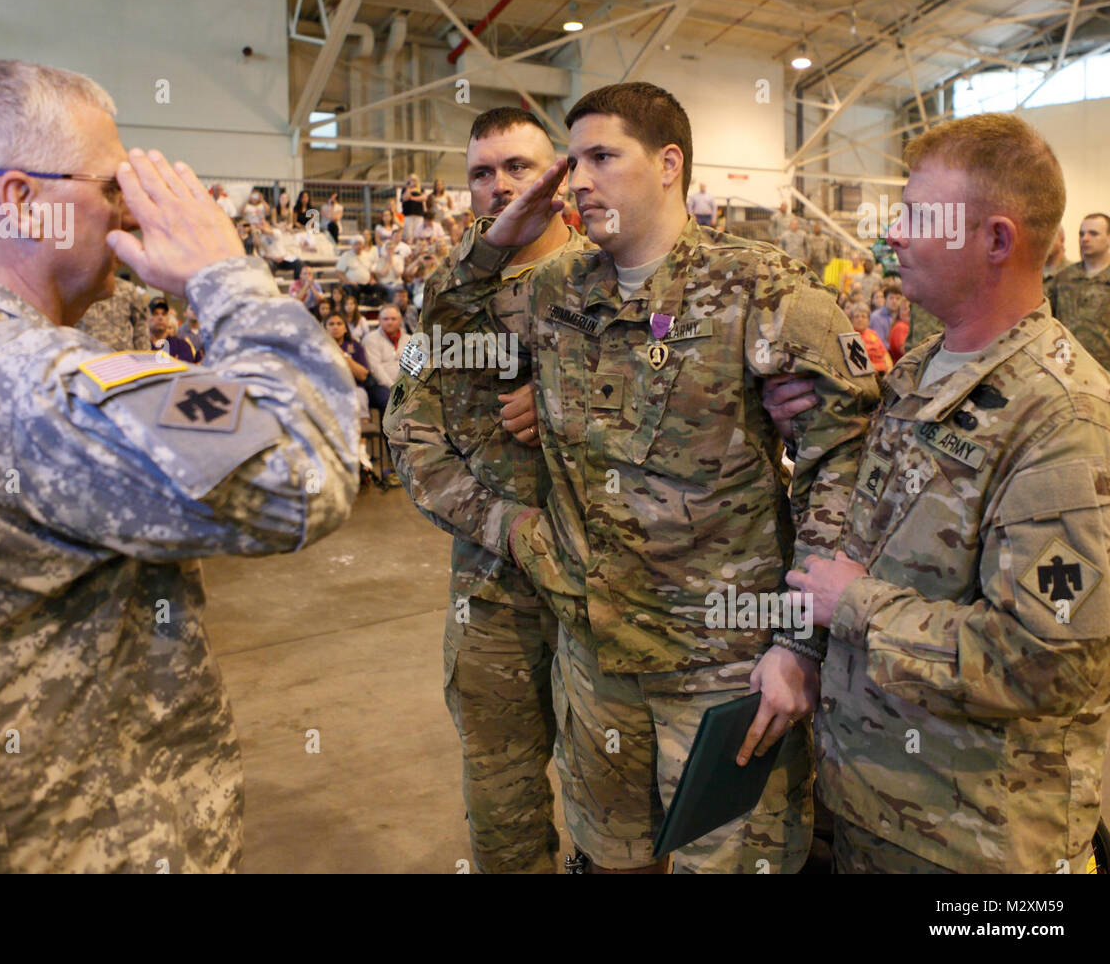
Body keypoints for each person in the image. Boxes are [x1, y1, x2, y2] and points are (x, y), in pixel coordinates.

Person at [0, 58, 358, 873]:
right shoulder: (35, 385)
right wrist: (229, 277)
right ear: (21, 202)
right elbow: (305, 474)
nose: (127, 212)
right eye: (110, 187)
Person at [419, 82, 878, 873]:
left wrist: (800, 642)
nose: (581, 179)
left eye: (603, 156)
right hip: (597, 661)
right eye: (574, 161)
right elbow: (444, 330)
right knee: (611, 861)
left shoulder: (762, 290)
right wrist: (496, 240)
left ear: (669, 165)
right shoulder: (559, 291)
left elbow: (845, 465)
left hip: (724, 664)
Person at [763, 112, 1110, 873]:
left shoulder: (1064, 418)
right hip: (874, 804)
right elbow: (877, 519)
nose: (896, 234)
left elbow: (1049, 662)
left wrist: (853, 606)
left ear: (996, 240)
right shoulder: (920, 371)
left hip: (975, 847)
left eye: (920, 215)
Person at [386, 106, 597, 874]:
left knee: (616, 802)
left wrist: (570, 402)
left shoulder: (613, 280)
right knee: (502, 802)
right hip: (494, 592)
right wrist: (500, 522)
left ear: (558, 175)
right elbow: (406, 430)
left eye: (518, 166)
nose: (500, 184)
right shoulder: (443, 309)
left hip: (602, 586)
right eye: (482, 172)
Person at [1048, 212, 1110, 373]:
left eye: (1093, 233)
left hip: (1109, 374)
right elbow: (1050, 323)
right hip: (1069, 371)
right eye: (1081, 234)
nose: (1085, 239)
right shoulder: (1063, 278)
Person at [75, 273, 150, 351]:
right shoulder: (77, 288)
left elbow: (141, 326)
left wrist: (143, 356)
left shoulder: (127, 289)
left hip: (120, 356)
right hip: (86, 356)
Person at [361, 303, 409, 411]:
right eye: (385, 319)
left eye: (393, 319)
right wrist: (395, 388)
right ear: (379, 320)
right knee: (391, 400)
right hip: (380, 386)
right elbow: (376, 369)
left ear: (400, 320)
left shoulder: (409, 339)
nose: (389, 322)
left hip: (406, 385)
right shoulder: (370, 339)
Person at [847, 302, 891, 374]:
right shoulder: (850, 336)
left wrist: (889, 369)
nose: (860, 319)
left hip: (884, 373)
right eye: (856, 316)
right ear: (851, 319)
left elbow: (885, 354)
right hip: (869, 374)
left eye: (863, 316)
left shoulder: (872, 333)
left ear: (868, 320)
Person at [334, 236, 380, 305]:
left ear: (363, 245)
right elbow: (338, 272)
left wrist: (371, 279)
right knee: (353, 289)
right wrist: (348, 282)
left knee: (379, 287)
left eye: (360, 244)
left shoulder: (367, 255)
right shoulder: (346, 255)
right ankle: (355, 309)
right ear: (352, 245)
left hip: (366, 284)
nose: (358, 246)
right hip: (352, 284)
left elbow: (370, 270)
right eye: (356, 244)